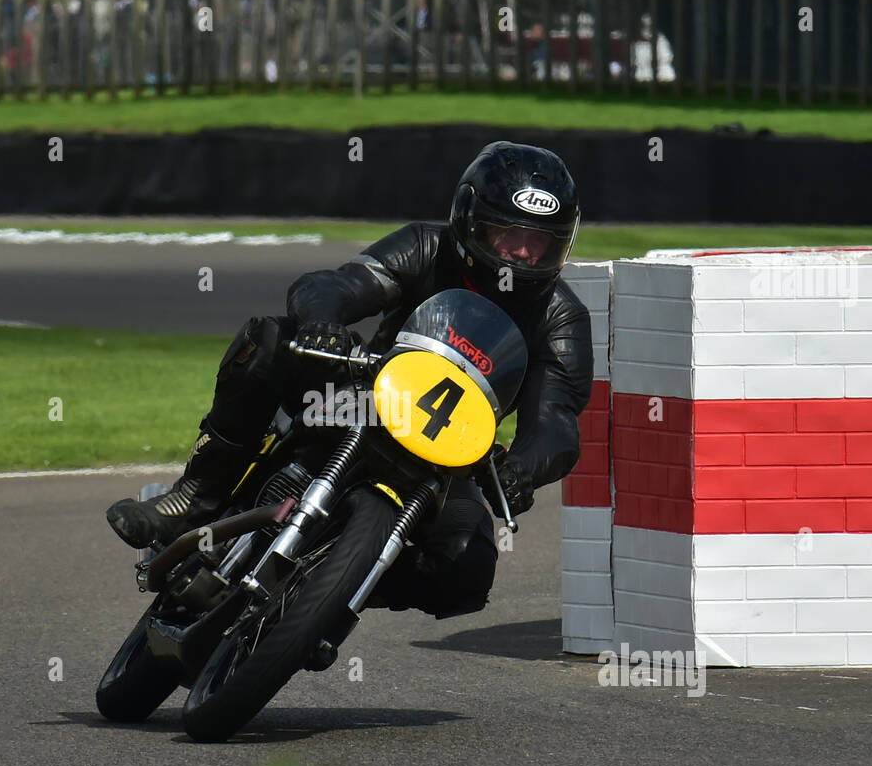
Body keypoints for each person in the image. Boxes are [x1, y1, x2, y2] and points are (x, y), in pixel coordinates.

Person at [107, 142, 593, 618]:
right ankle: (195, 497)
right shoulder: (428, 246)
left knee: (467, 571)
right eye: (508, 233)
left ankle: (326, 591)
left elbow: (555, 419)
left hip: (447, 459)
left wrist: (524, 468)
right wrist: (325, 323)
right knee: (269, 341)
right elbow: (336, 284)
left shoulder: (561, 316)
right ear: (472, 222)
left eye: (541, 241)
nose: (524, 253)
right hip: (362, 396)